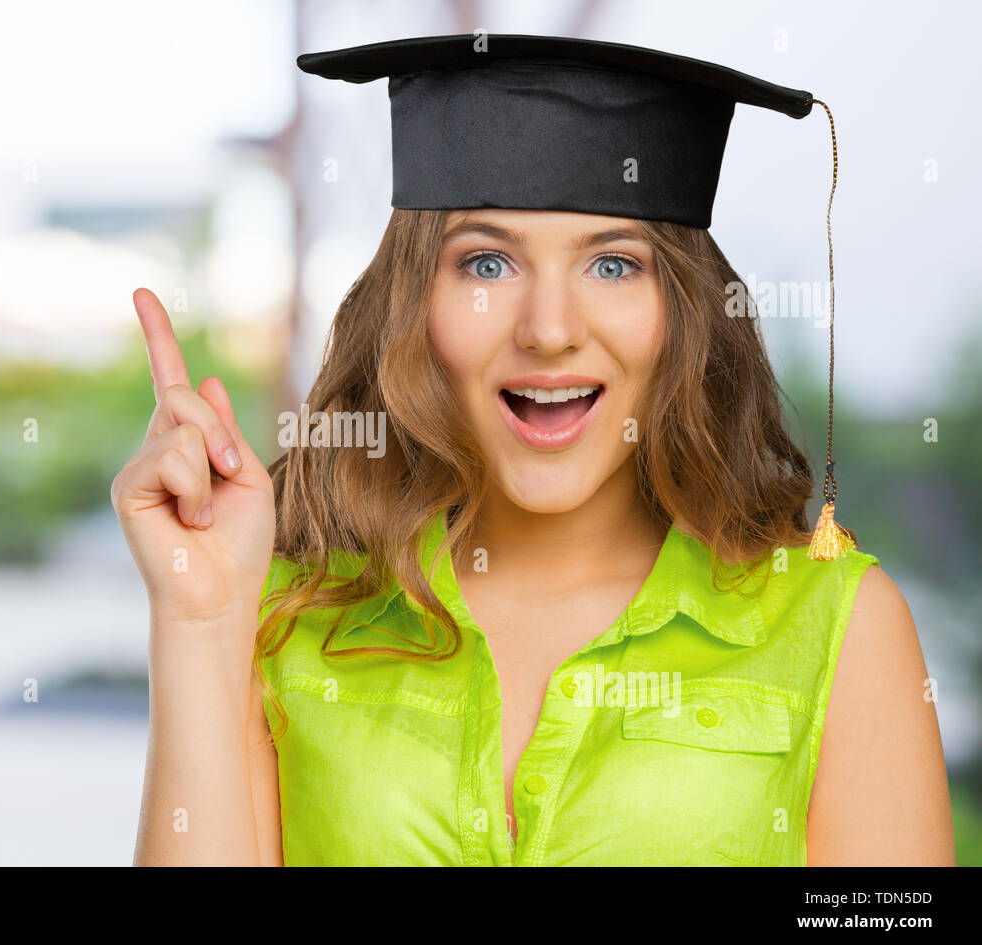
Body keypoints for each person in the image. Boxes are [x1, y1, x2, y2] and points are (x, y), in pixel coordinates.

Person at [112, 34, 955, 866]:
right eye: (486, 264)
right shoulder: (288, 619)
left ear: (684, 314)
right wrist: (201, 622)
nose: (549, 331)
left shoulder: (836, 625)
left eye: (614, 266)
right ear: (415, 304)